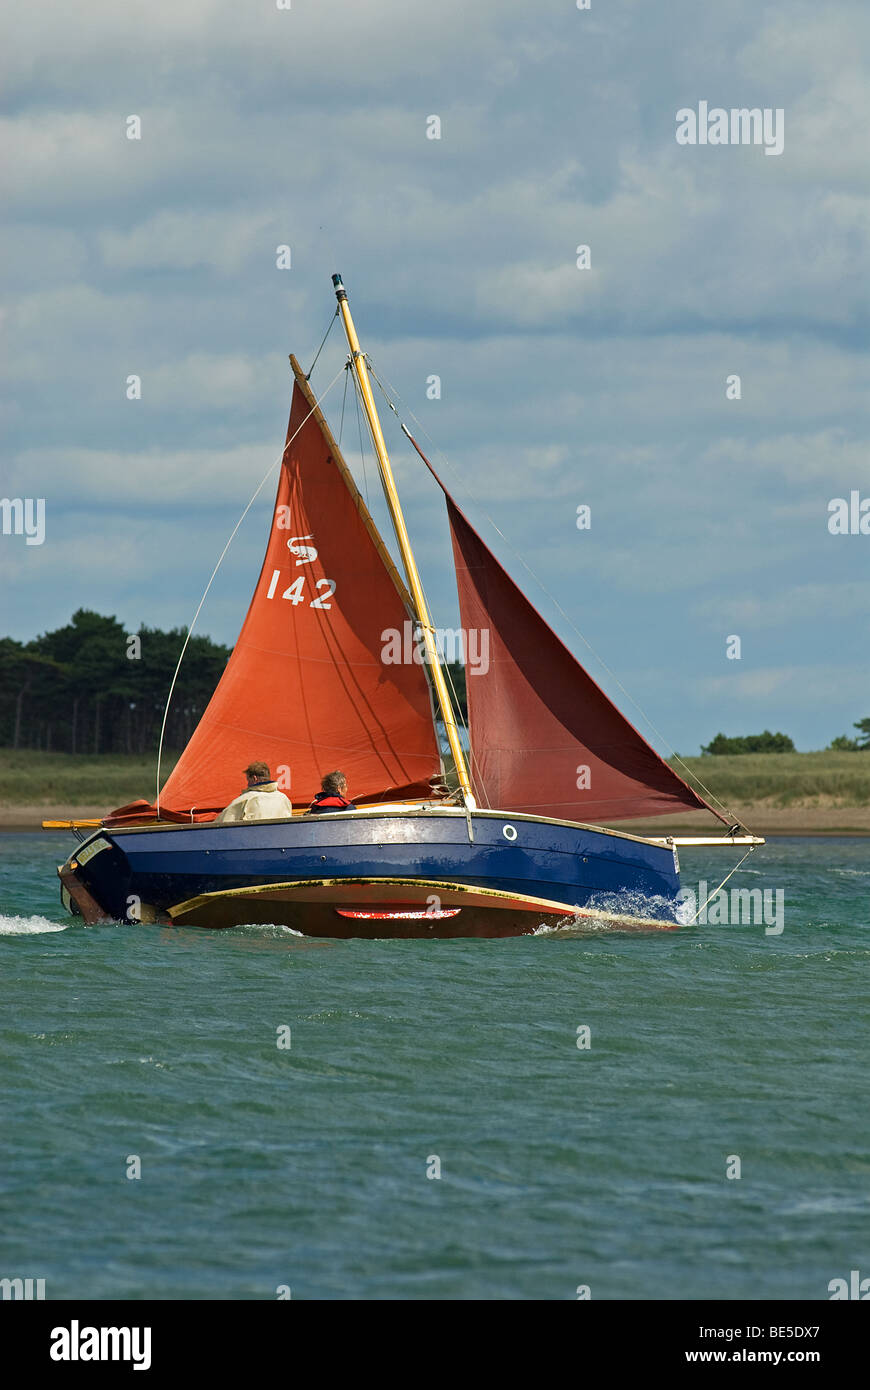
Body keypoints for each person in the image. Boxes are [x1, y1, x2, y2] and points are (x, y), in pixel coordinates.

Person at [215, 761, 293, 823]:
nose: (247, 784)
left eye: (248, 780)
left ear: (254, 778)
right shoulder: (284, 799)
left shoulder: (245, 800)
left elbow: (220, 824)